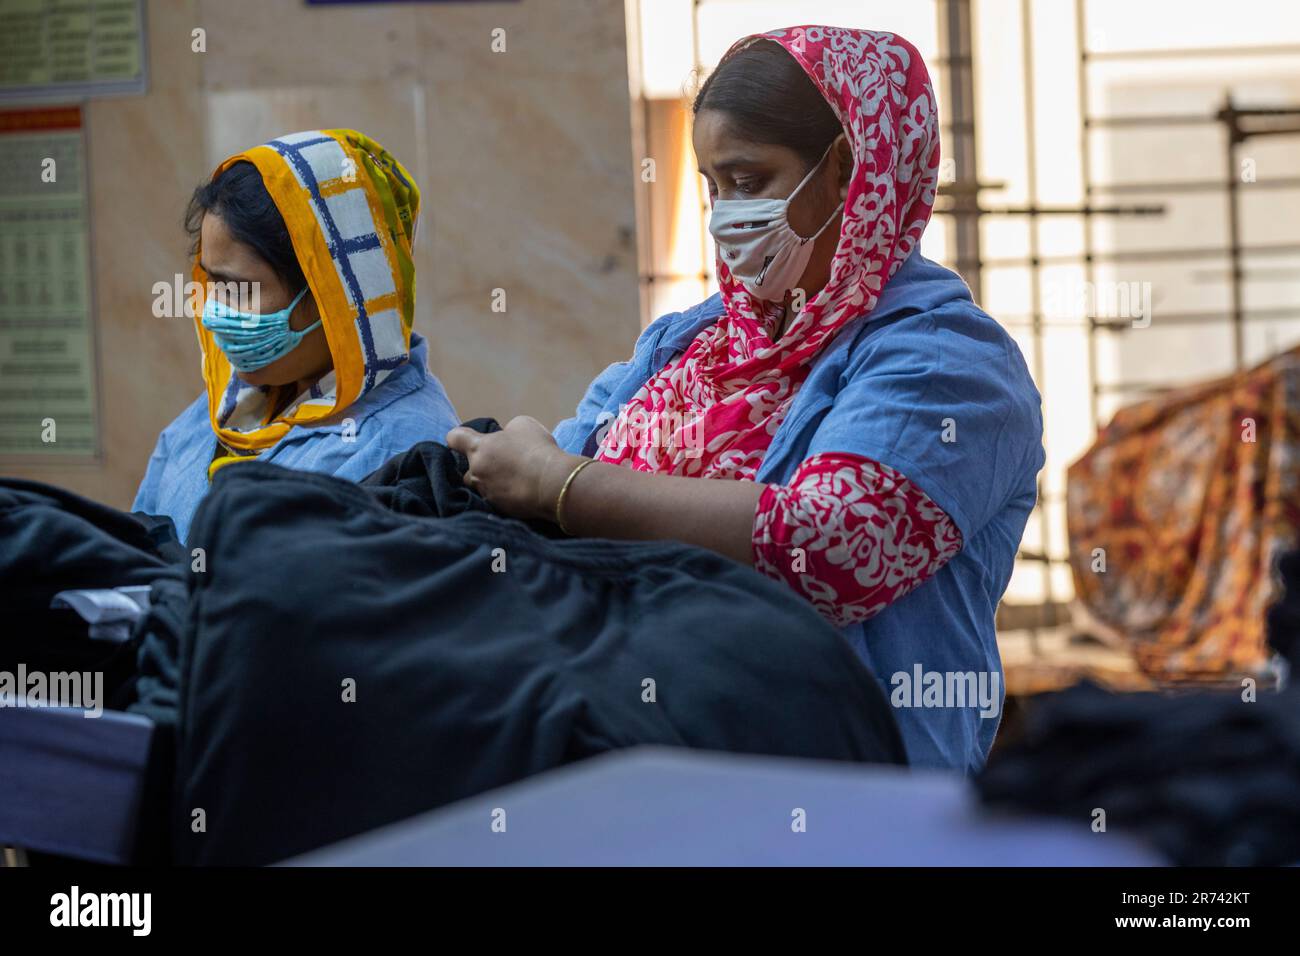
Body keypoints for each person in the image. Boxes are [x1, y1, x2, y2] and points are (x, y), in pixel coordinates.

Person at [447, 28, 1045, 773]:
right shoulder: (684, 345)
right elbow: (557, 472)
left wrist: (564, 486)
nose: (725, 214)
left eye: (751, 180)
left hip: (850, 792)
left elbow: (831, 546)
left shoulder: (942, 361)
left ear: (847, 170)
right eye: (713, 185)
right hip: (651, 760)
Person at [134, 129, 458, 544]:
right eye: (210, 284)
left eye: (239, 289)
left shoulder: (401, 451)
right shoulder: (219, 412)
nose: (213, 312)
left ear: (334, 295)